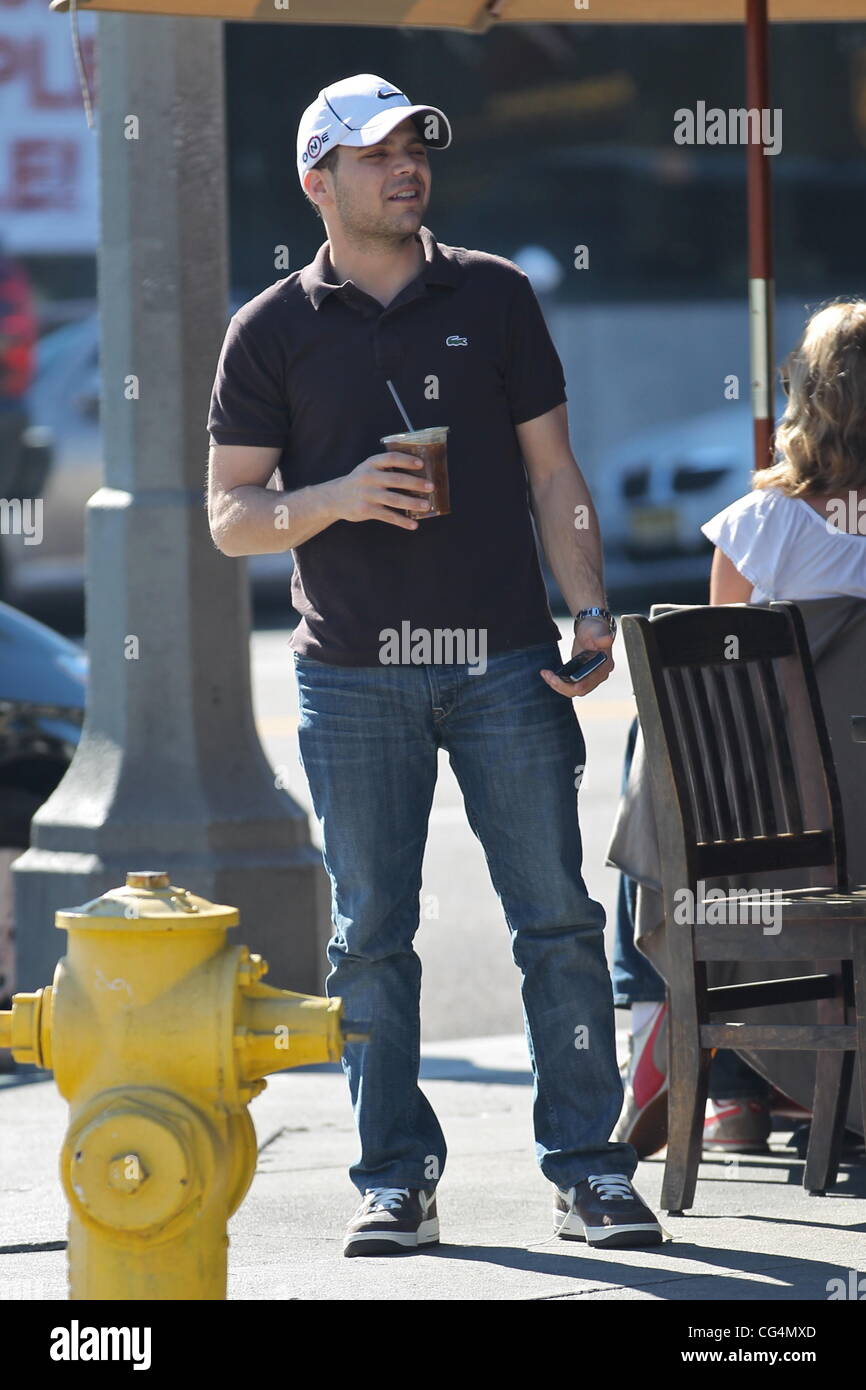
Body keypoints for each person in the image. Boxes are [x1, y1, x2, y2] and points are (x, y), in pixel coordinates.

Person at [206, 73, 663, 1255]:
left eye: (416, 148)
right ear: (318, 181)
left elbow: (552, 475)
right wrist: (337, 496)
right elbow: (230, 517)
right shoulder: (268, 330)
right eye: (375, 155)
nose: (405, 167)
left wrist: (591, 609)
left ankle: (588, 1169)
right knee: (370, 935)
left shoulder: (498, 295)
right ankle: (394, 1177)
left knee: (556, 922)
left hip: (506, 660)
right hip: (348, 673)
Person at [612, 298, 866, 1158]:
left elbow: (725, 706)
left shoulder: (759, 527)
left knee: (659, 755)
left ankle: (711, 1074)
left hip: (778, 836)